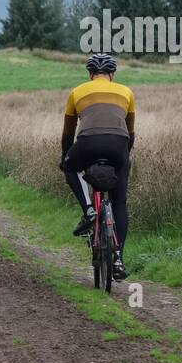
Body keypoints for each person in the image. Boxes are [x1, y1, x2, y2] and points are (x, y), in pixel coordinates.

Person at [59, 52, 135, 279]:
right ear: (112, 74)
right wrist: (123, 161)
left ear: (91, 74)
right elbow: (131, 134)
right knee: (119, 203)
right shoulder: (127, 92)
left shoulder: (76, 92)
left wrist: (65, 159)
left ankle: (89, 211)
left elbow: (67, 134)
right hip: (118, 146)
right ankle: (119, 259)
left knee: (71, 167)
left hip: (87, 143)